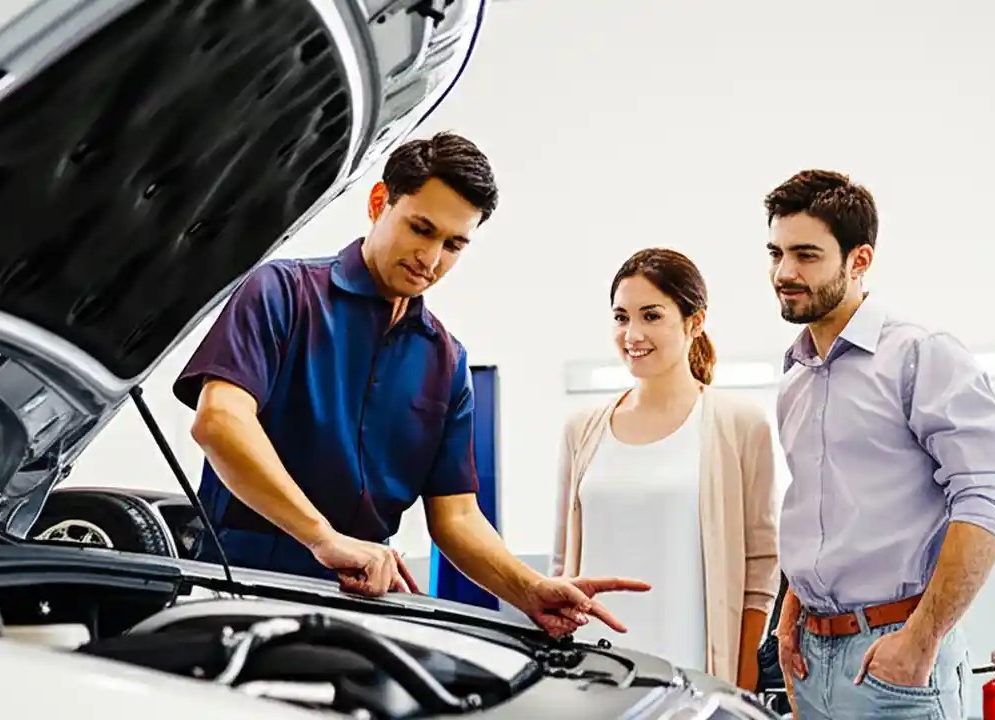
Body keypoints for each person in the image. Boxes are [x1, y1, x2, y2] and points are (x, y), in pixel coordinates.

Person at [172, 131, 649, 638]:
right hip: (239, 592)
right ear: (379, 203)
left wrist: (527, 589)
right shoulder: (281, 292)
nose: (431, 257)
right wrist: (323, 537)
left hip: (363, 606)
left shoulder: (446, 360)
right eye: (421, 229)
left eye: (454, 244)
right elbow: (220, 422)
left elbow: (457, 517)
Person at [765, 169, 995, 719]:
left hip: (896, 662)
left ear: (859, 261)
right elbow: (826, 514)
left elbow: (991, 494)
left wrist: (922, 639)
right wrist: (793, 609)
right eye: (776, 253)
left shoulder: (919, 356)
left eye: (806, 255)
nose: (784, 272)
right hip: (810, 659)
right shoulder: (795, 377)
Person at [550, 248, 780, 688]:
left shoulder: (739, 423)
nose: (632, 333)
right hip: (595, 674)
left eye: (651, 316)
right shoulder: (582, 430)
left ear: (695, 322)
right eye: (621, 317)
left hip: (694, 675)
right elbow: (562, 564)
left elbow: (761, 567)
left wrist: (741, 686)